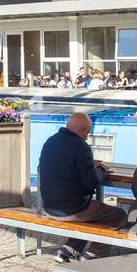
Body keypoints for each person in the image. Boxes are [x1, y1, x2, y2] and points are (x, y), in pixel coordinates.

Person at [37, 112, 126, 263]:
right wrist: (102, 170)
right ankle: (93, 255)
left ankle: (68, 250)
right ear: (83, 130)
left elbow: (64, 165)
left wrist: (89, 165)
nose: (87, 136)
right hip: (71, 210)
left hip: (50, 207)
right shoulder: (81, 147)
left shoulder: (50, 141)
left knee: (94, 212)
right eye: (88, 132)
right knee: (119, 215)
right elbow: (90, 183)